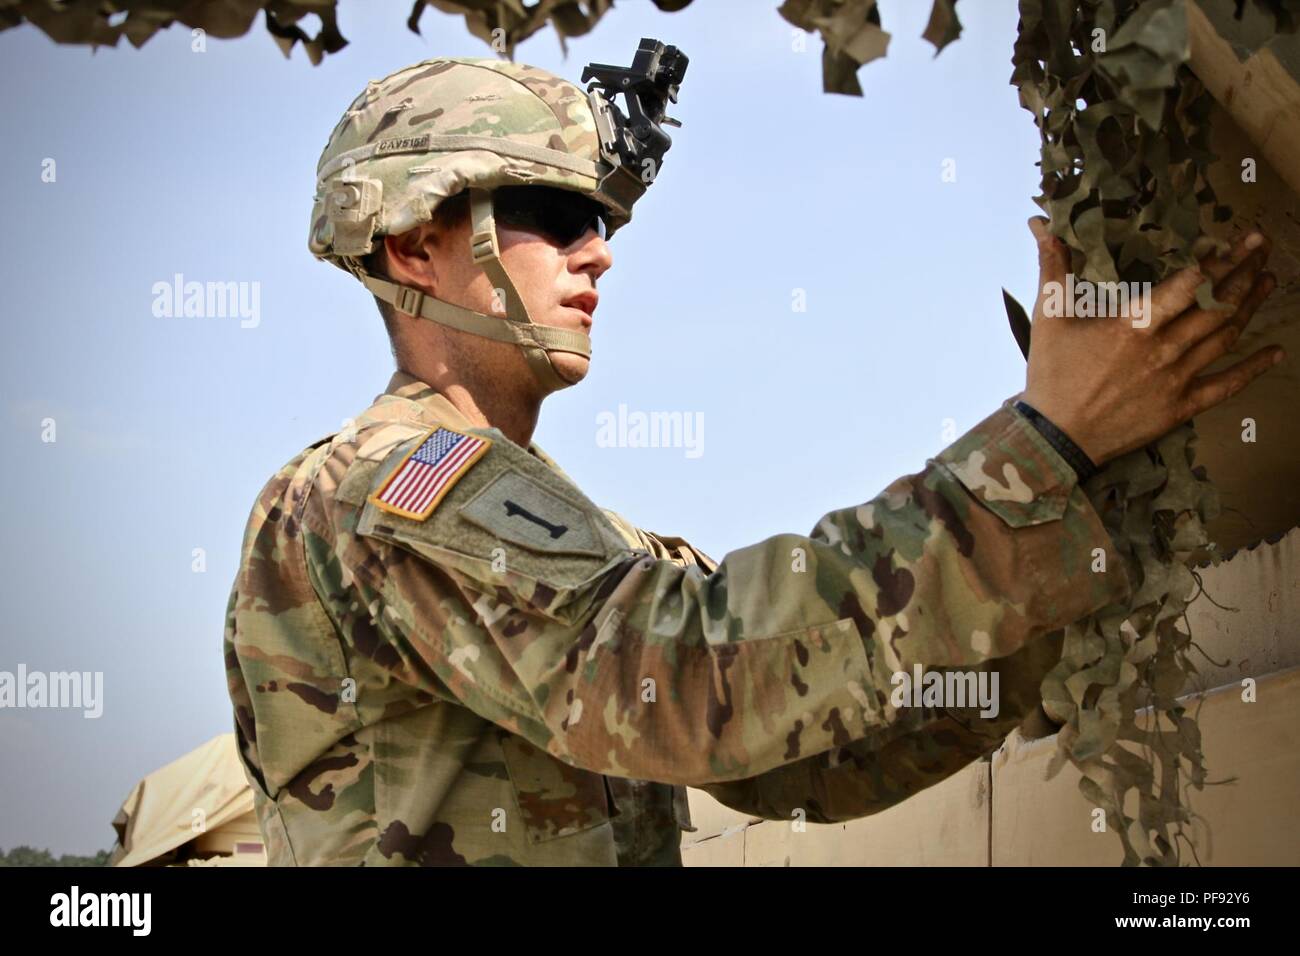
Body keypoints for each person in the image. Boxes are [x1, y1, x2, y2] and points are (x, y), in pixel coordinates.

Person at [223, 42, 1284, 866]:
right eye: (552, 212)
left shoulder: (579, 541)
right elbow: (682, 686)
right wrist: (1043, 448)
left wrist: (1069, 531)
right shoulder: (378, 491)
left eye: (603, 217)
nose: (598, 249)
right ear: (411, 243)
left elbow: (805, 756)